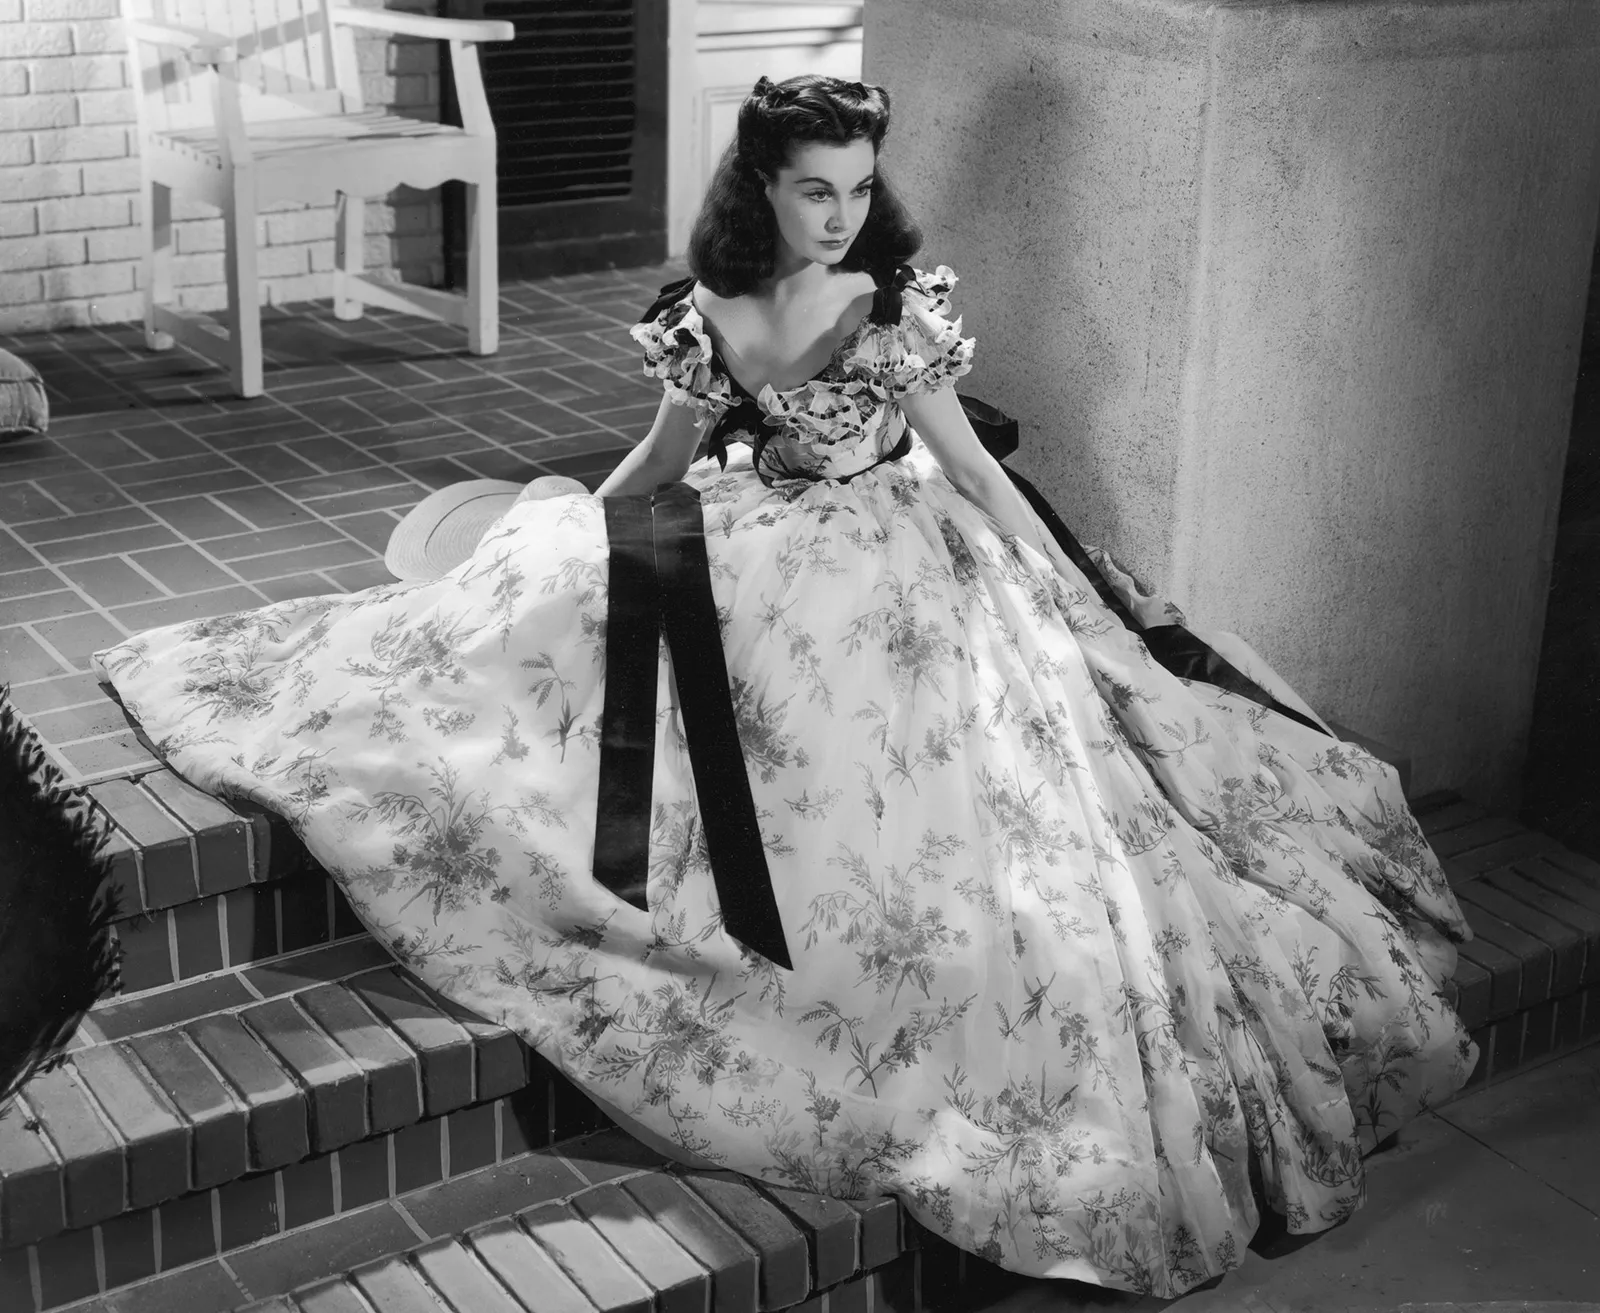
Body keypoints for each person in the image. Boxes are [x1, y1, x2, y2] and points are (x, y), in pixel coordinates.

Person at [92, 74, 1477, 1298]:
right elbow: (665, 458)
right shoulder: (701, 311)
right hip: (756, 542)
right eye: (816, 191)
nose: (840, 216)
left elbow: (972, 470)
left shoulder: (892, 308)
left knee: (919, 797)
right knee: (576, 640)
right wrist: (560, 532)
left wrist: (1070, 582)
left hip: (899, 562)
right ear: (760, 185)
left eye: (860, 190)